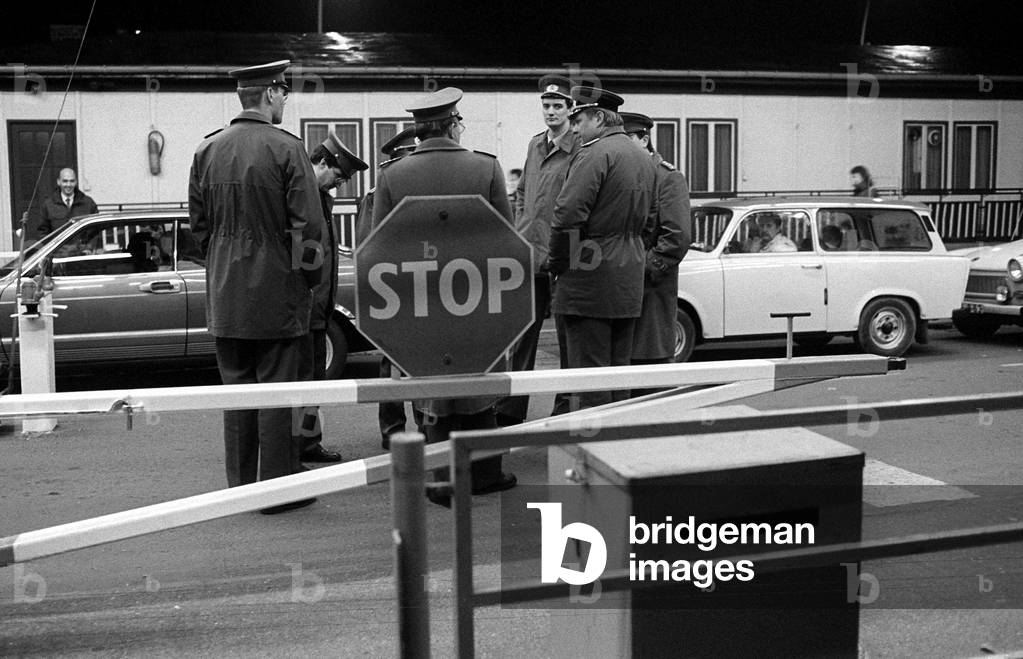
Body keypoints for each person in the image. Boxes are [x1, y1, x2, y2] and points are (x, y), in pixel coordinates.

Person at [188, 60, 324, 514]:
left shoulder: (206, 150)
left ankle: (241, 486)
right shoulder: (287, 149)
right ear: (268, 94)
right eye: (284, 91)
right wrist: (310, 282)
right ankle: (277, 491)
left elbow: (199, 227)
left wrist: (224, 264)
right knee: (278, 397)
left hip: (226, 295)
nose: (286, 98)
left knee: (238, 396)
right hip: (277, 294)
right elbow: (309, 230)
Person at [371, 86, 517, 503]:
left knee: (433, 392)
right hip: (477, 299)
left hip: (420, 303)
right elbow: (506, 243)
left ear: (417, 132)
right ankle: (486, 474)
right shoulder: (485, 169)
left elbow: (380, 249)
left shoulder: (393, 176)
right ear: (453, 125)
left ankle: (441, 480)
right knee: (479, 387)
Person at [547, 86, 655, 410]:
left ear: (597, 117)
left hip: (588, 277)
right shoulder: (642, 157)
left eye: (578, 119)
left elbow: (566, 216)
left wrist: (558, 265)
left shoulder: (594, 154)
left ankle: (591, 449)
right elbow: (650, 223)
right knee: (618, 373)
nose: (574, 127)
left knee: (589, 376)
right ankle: (616, 445)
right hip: (628, 274)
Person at [494, 75, 579, 424]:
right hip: (530, 255)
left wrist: (569, 252)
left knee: (566, 339)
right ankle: (510, 411)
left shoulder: (579, 149)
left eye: (558, 106)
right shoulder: (535, 145)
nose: (551, 112)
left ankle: (564, 411)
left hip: (563, 258)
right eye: (546, 106)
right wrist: (519, 230)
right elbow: (523, 194)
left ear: (571, 110)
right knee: (521, 336)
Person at [295, 133, 368, 463]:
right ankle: (298, 446)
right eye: (337, 176)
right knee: (302, 384)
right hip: (304, 309)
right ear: (322, 162)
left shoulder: (321, 197)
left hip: (318, 308)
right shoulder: (301, 195)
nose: (337, 184)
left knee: (313, 382)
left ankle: (308, 444)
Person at [353, 125, 422, 450]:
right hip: (394, 291)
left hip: (420, 289)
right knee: (392, 362)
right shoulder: (376, 195)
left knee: (421, 361)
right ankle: (393, 428)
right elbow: (368, 246)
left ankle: (422, 422)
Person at [620, 112, 689, 392]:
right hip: (623, 288)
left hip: (651, 291)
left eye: (628, 139)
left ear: (644, 139)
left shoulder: (667, 178)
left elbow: (677, 237)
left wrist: (645, 268)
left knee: (651, 371)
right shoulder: (623, 175)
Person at [38, 168, 98, 237]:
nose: (68, 185)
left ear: (76, 182)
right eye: (65, 181)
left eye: (72, 181)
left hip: (82, 248)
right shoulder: (48, 205)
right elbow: (43, 232)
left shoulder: (89, 203)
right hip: (58, 247)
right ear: (58, 182)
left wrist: (87, 247)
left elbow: (95, 230)